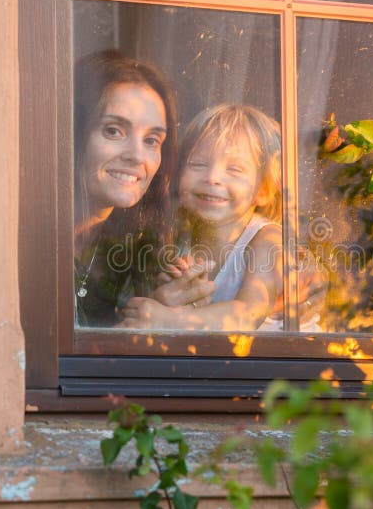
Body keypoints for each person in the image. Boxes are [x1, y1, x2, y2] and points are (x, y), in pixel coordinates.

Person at [123, 104, 322, 331]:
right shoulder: (183, 240)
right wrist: (176, 292)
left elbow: (248, 314)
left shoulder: (268, 239)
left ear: (263, 190)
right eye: (198, 164)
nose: (212, 177)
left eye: (235, 169)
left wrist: (168, 320)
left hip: (290, 365)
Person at [73, 50, 214, 327]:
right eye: (114, 130)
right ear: (74, 132)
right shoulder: (29, 244)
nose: (137, 156)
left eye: (152, 140)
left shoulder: (137, 245)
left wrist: (163, 307)